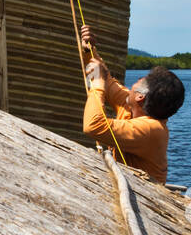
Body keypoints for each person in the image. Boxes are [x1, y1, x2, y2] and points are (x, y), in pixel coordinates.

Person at [79, 24, 185, 184]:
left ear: (141, 97)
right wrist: (89, 50)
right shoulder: (132, 106)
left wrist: (97, 84)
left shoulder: (152, 130)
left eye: (139, 81)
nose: (134, 83)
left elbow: (92, 126)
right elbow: (107, 80)